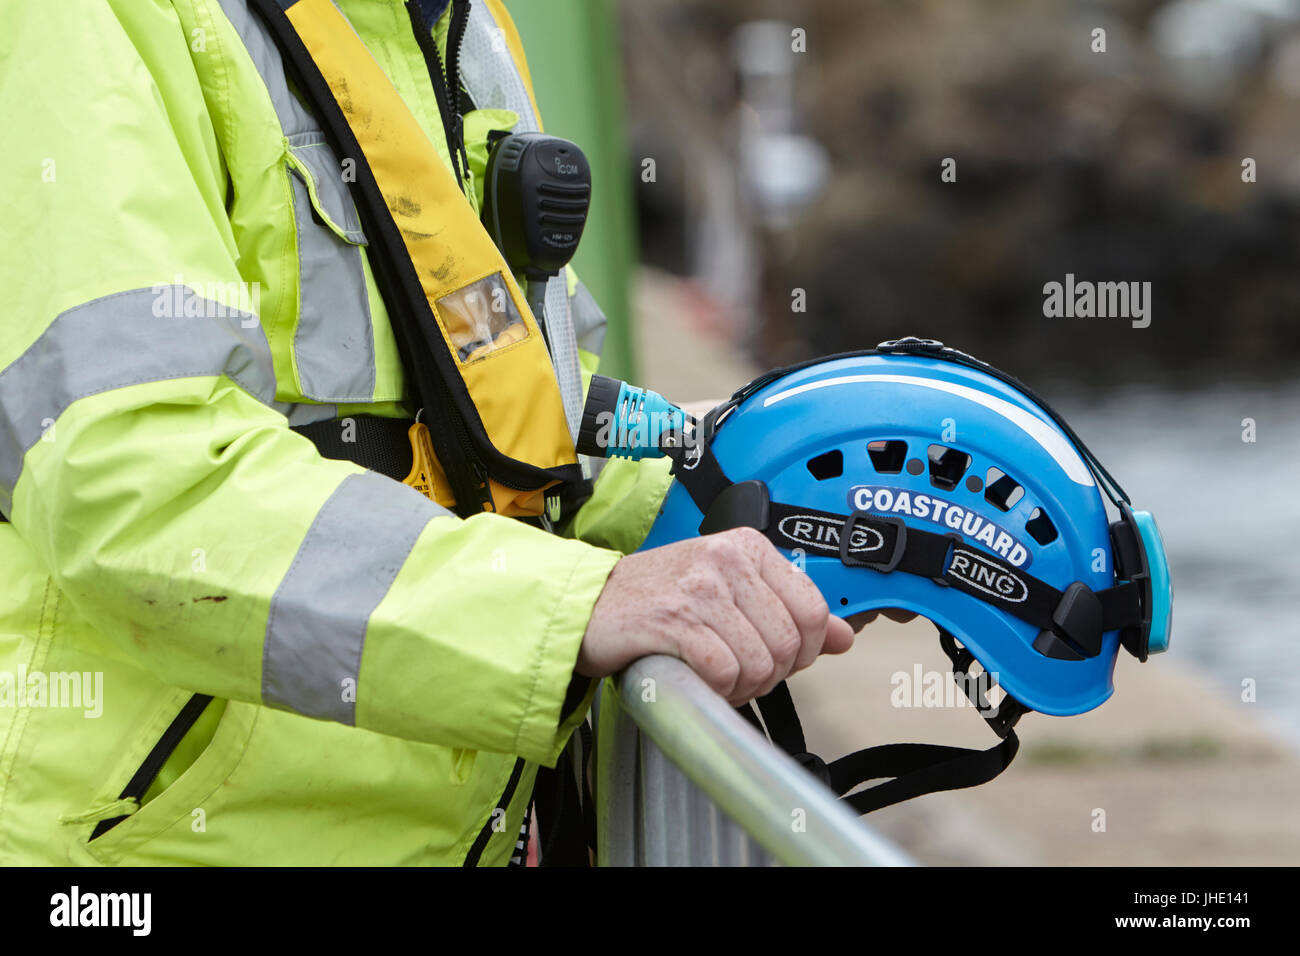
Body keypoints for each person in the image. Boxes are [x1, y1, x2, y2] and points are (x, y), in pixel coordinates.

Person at [0, 0, 852, 866]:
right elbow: (135, 482)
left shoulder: (460, 30)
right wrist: (571, 608)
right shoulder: (88, 18)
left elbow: (508, 404)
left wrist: (776, 489)